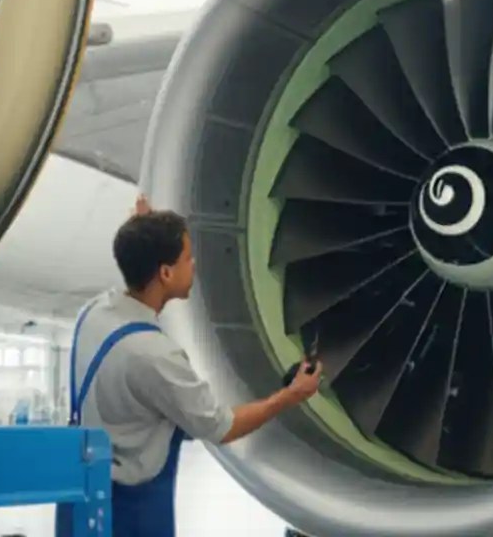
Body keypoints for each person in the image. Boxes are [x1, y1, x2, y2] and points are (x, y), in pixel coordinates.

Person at [69, 194, 323, 537]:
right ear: (165, 272)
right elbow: (221, 427)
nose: (195, 264)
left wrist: (144, 228)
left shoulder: (93, 313)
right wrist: (289, 396)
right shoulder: (155, 356)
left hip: (81, 501)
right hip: (132, 516)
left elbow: (137, 262)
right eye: (188, 257)